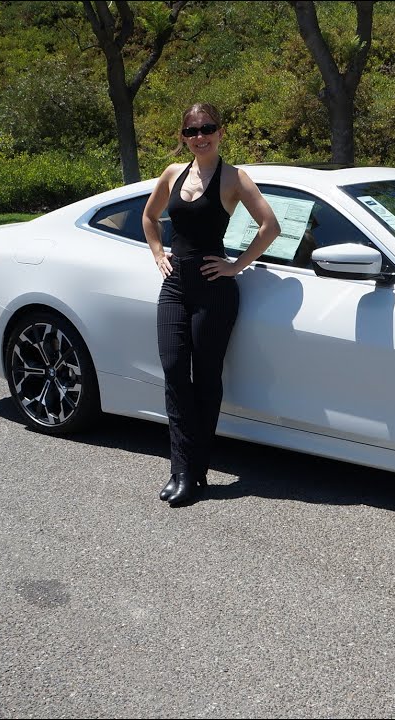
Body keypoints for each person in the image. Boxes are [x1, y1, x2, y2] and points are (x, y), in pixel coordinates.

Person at [142, 102, 279, 506]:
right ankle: (180, 467)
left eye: (207, 128)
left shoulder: (235, 178)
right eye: (192, 131)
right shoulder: (172, 174)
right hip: (175, 285)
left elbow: (270, 226)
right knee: (172, 370)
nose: (200, 136)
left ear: (220, 132)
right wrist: (156, 253)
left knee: (204, 378)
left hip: (213, 289)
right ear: (182, 137)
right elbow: (150, 218)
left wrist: (236, 266)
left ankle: (194, 471)